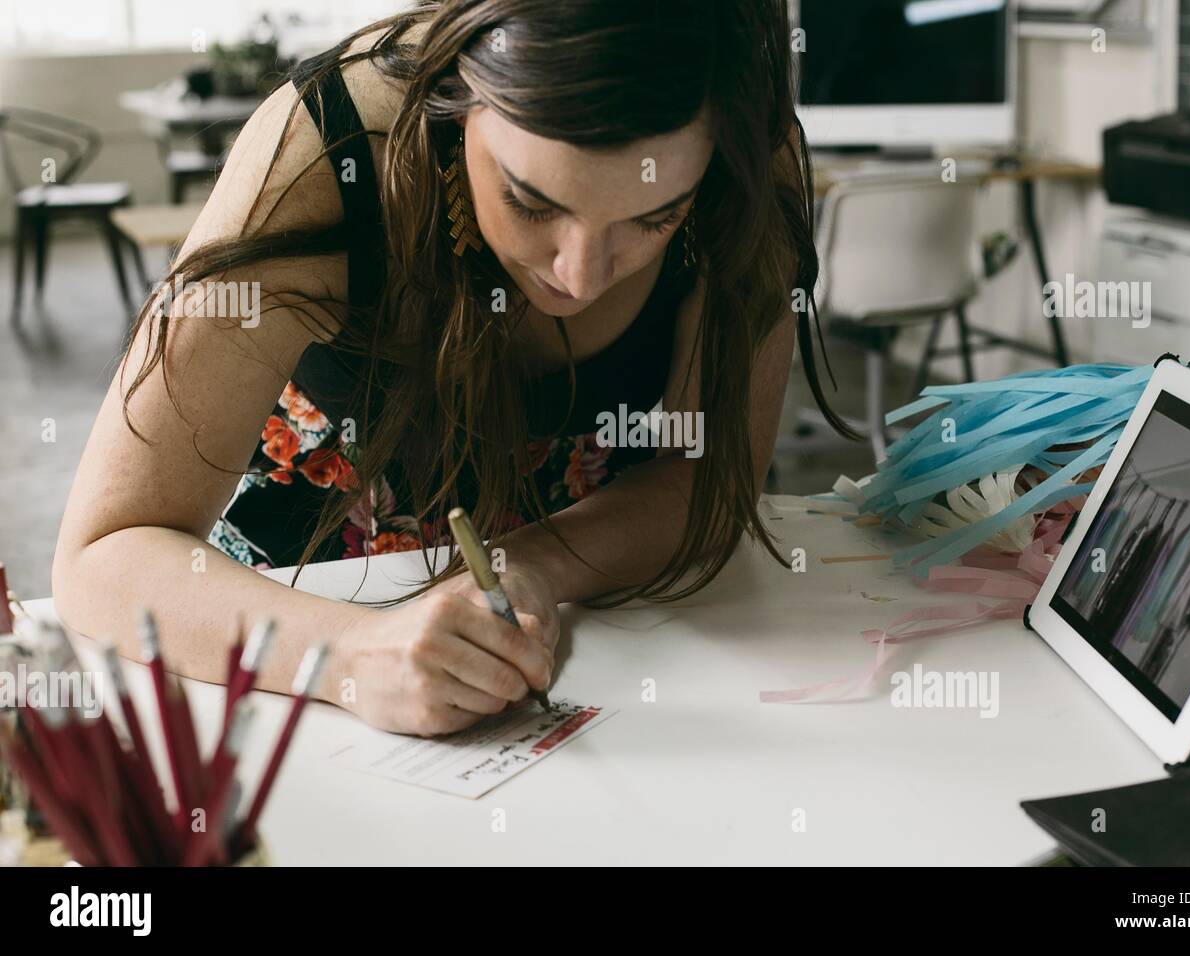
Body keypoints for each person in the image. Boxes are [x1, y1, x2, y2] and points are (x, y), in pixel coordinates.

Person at [52, 1, 852, 735]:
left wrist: (532, 566)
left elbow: (706, 476)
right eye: (532, 202)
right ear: (455, 92)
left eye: (655, 218)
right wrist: (346, 657)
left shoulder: (744, 148)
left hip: (607, 627)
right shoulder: (330, 150)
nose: (579, 277)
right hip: (286, 639)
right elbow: (105, 555)